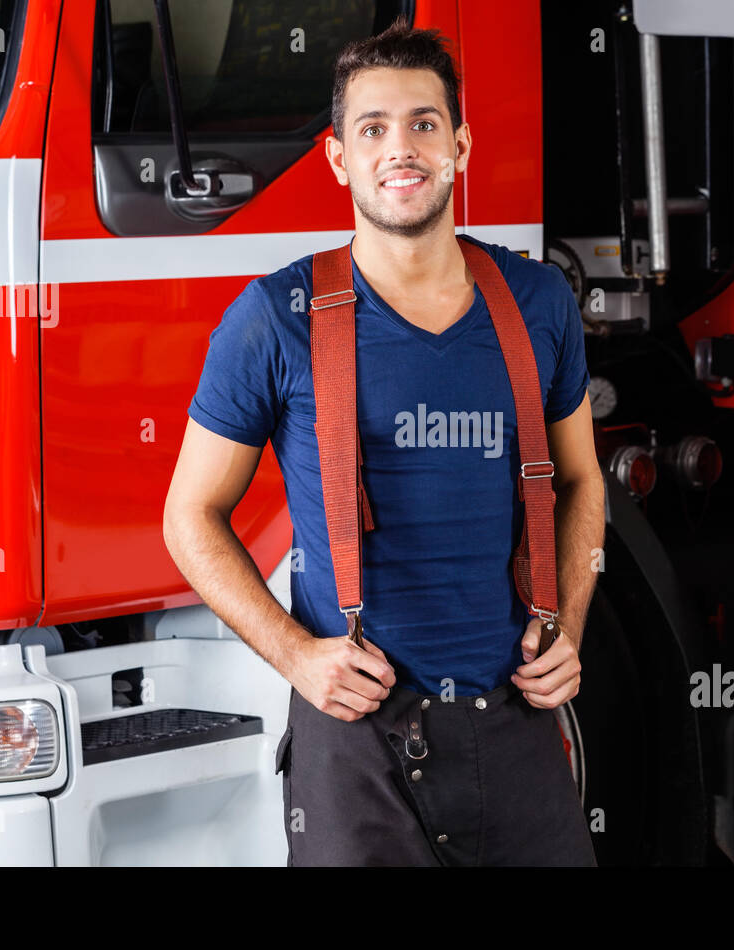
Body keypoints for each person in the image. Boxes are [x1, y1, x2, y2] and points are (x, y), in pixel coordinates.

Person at [164, 13, 604, 866]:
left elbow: (584, 482)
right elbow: (190, 515)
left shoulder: (538, 303)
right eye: (373, 128)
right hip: (355, 742)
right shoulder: (273, 320)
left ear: (461, 147)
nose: (399, 148)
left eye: (423, 124)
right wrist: (297, 656)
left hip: (515, 729)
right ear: (338, 157)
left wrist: (571, 625)